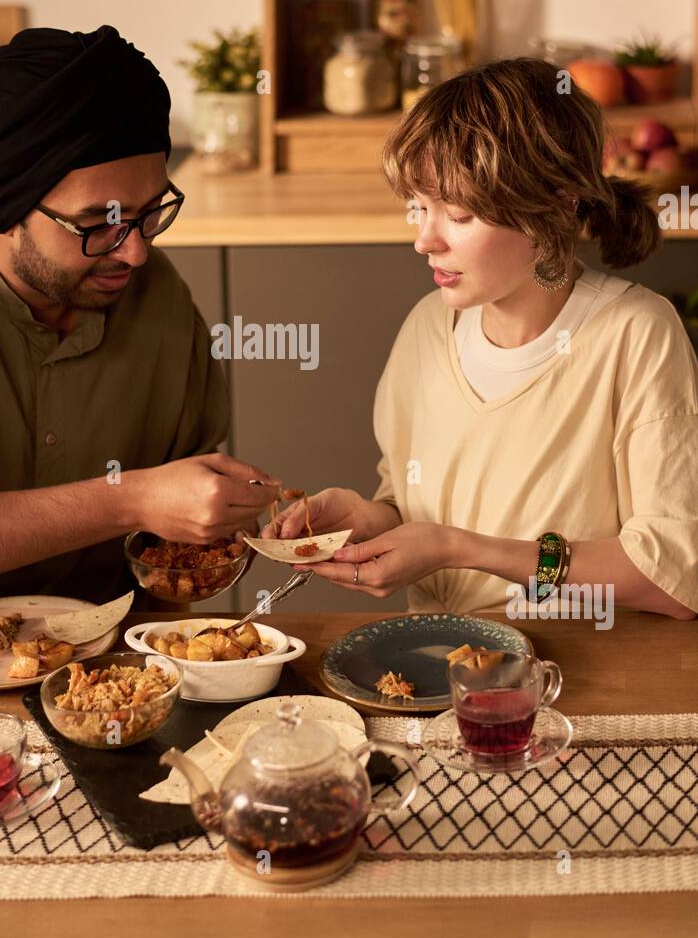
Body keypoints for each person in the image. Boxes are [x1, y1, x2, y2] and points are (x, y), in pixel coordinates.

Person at [0, 25, 279, 611]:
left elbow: (177, 540)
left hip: (114, 668)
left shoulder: (158, 296)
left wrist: (230, 516)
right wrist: (129, 498)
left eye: (152, 213)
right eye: (97, 224)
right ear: (3, 213)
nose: (135, 251)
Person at [267, 58, 698, 620]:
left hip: (577, 676)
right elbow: (411, 501)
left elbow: (672, 577)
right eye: (419, 209)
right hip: (436, 666)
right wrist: (365, 519)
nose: (425, 241)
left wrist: (459, 548)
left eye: (459, 214)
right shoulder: (427, 325)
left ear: (554, 207)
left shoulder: (636, 334)